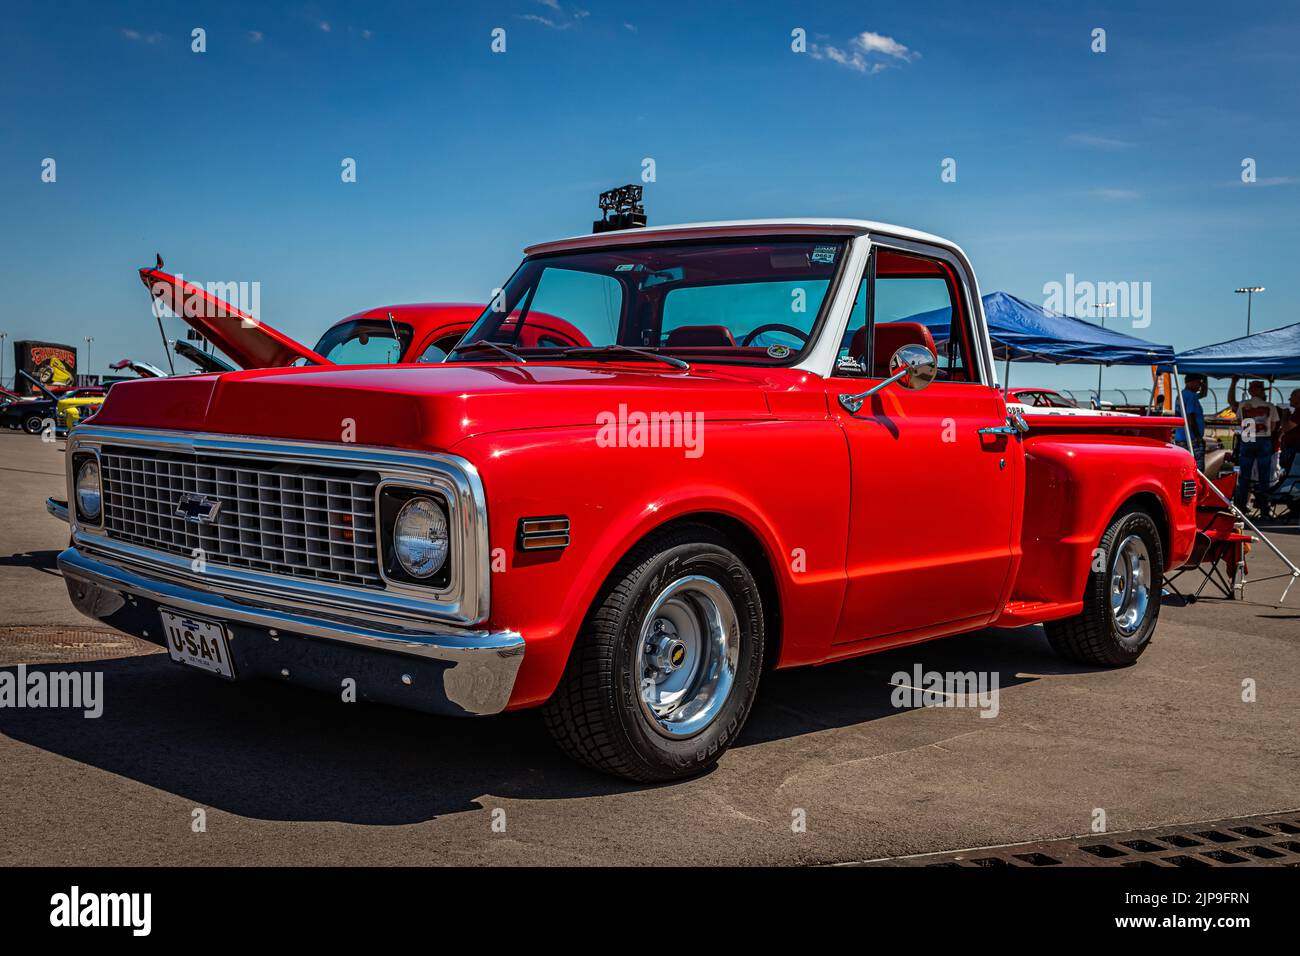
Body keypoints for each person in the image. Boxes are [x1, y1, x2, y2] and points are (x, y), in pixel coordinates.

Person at [1229, 377, 1280, 516]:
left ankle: (1241, 507)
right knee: (1264, 476)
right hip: (1264, 439)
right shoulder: (1270, 406)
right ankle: (1264, 509)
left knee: (1245, 475)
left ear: (1251, 391)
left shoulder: (1244, 405)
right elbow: (1274, 425)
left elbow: (1240, 420)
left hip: (1248, 436)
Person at [1173, 373, 1207, 472]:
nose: (1199, 386)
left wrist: (1204, 381)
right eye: (1198, 383)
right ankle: (1197, 486)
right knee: (1197, 468)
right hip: (1191, 438)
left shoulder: (1181, 395)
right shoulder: (1191, 396)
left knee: (1184, 467)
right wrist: (1198, 437)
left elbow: (1203, 394)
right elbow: (1190, 417)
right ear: (1191, 382)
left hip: (1180, 436)